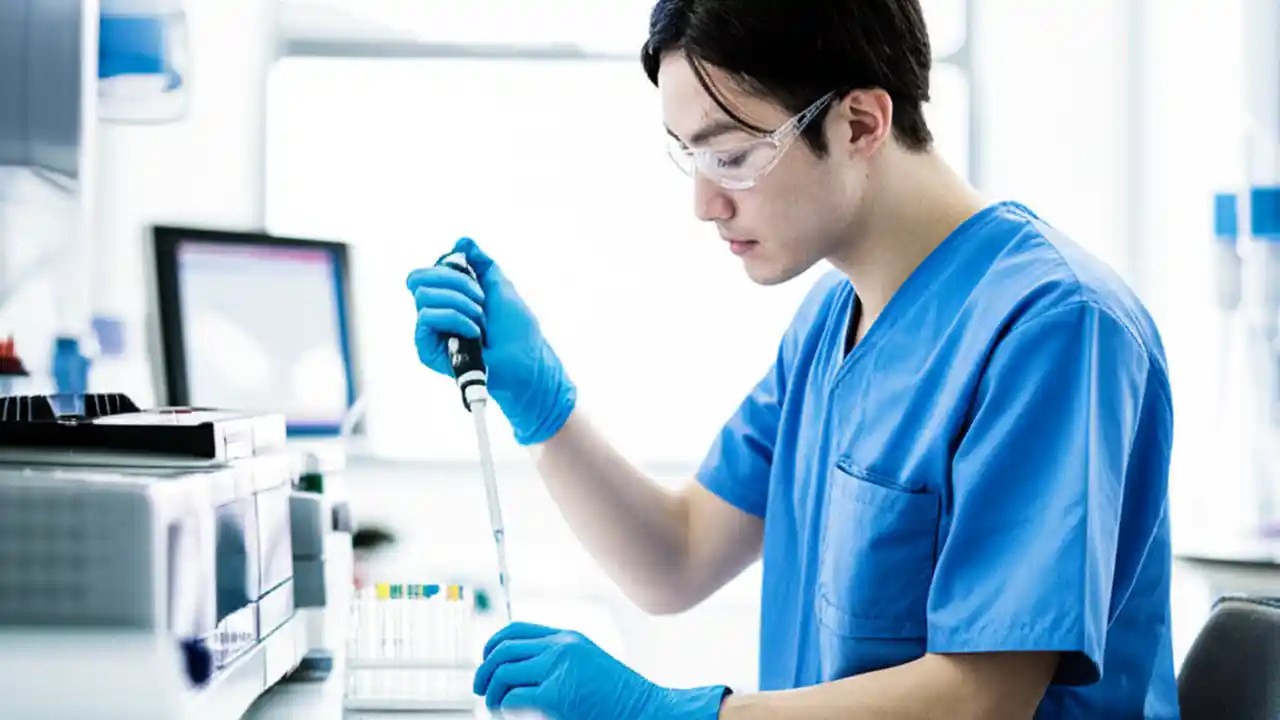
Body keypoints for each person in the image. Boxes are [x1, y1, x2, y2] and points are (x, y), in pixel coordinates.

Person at [404, 0, 1179, 717]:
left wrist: (678, 714)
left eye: (733, 157)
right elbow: (676, 558)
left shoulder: (1055, 327)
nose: (706, 204)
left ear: (860, 123)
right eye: (691, 158)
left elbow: (983, 697)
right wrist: (542, 402)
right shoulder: (832, 320)